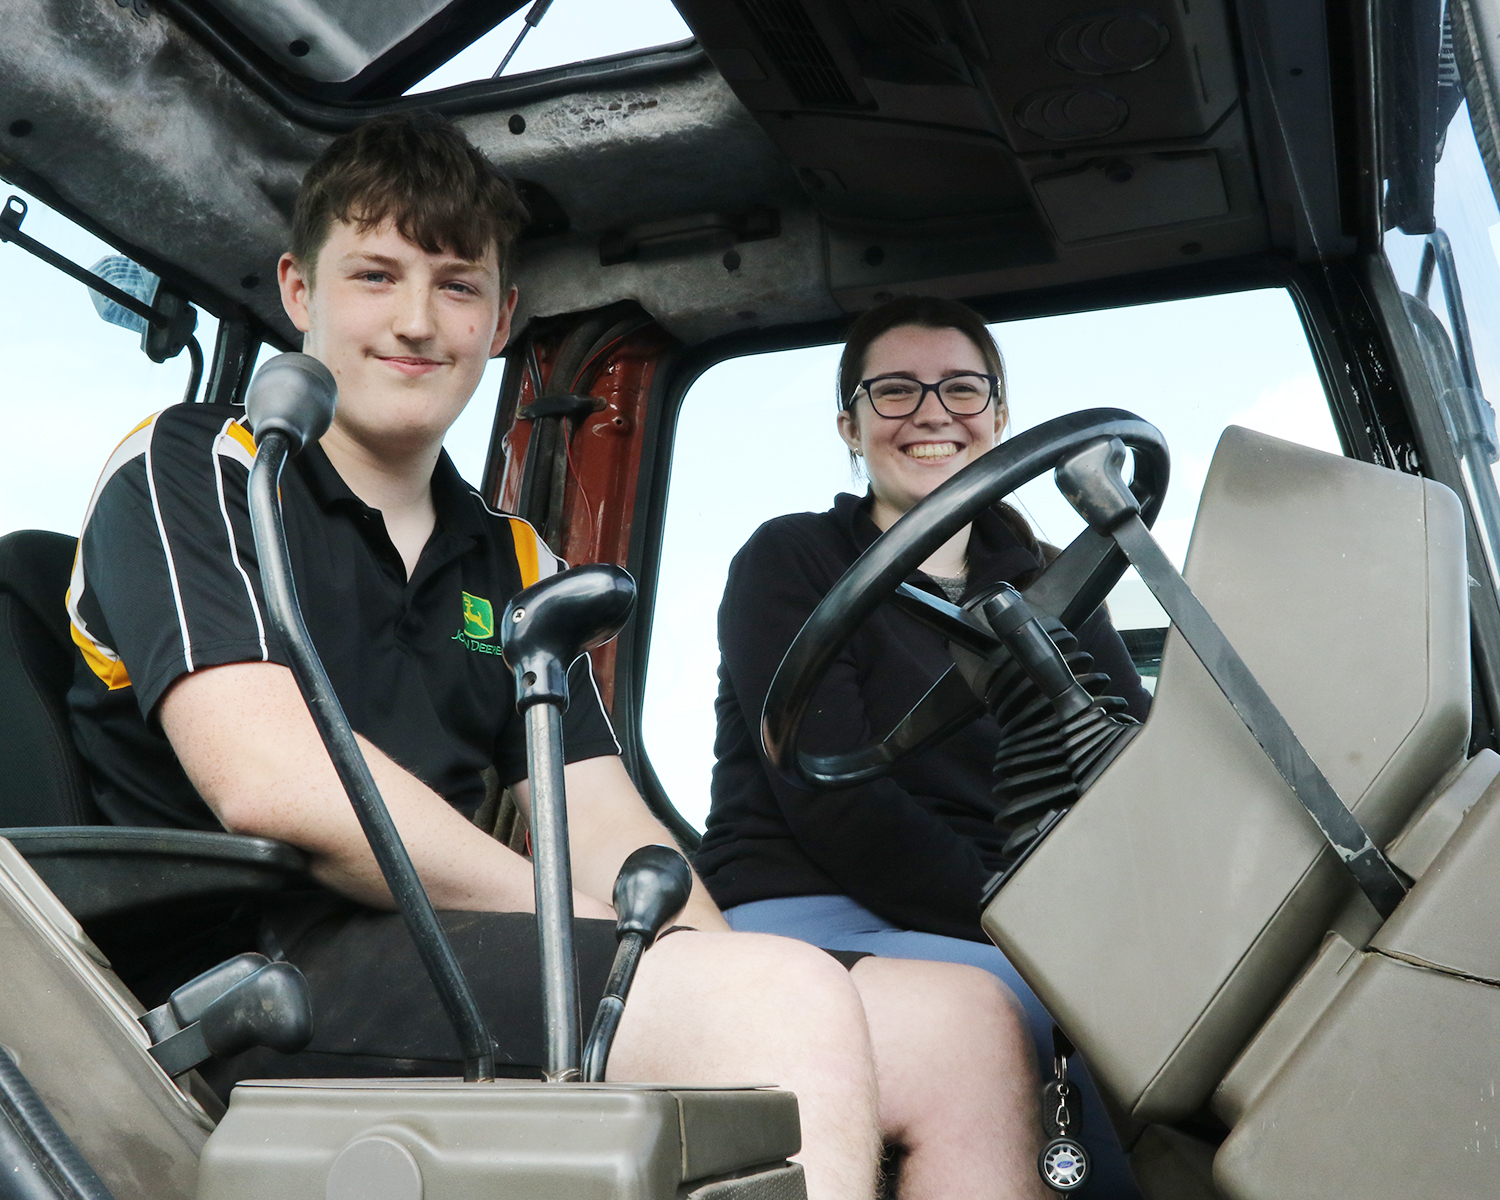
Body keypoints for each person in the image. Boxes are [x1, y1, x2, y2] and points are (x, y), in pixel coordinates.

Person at [65, 117, 1050, 1199]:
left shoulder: (515, 556)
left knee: (963, 1023)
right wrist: (598, 933)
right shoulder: (200, 469)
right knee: (769, 1003)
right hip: (237, 976)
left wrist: (700, 954)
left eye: (455, 286)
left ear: (500, 321)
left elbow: (605, 816)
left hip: (447, 952)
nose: (414, 321)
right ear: (301, 292)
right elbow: (277, 784)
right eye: (375, 275)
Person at [697, 295, 1154, 1196]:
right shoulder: (792, 563)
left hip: (997, 919)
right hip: (812, 902)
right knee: (1052, 1018)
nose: (934, 412)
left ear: (1001, 413)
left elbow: (1133, 766)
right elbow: (837, 804)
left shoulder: (1057, 583)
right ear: (850, 423)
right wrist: (1026, 934)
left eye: (961, 387)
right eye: (896, 391)